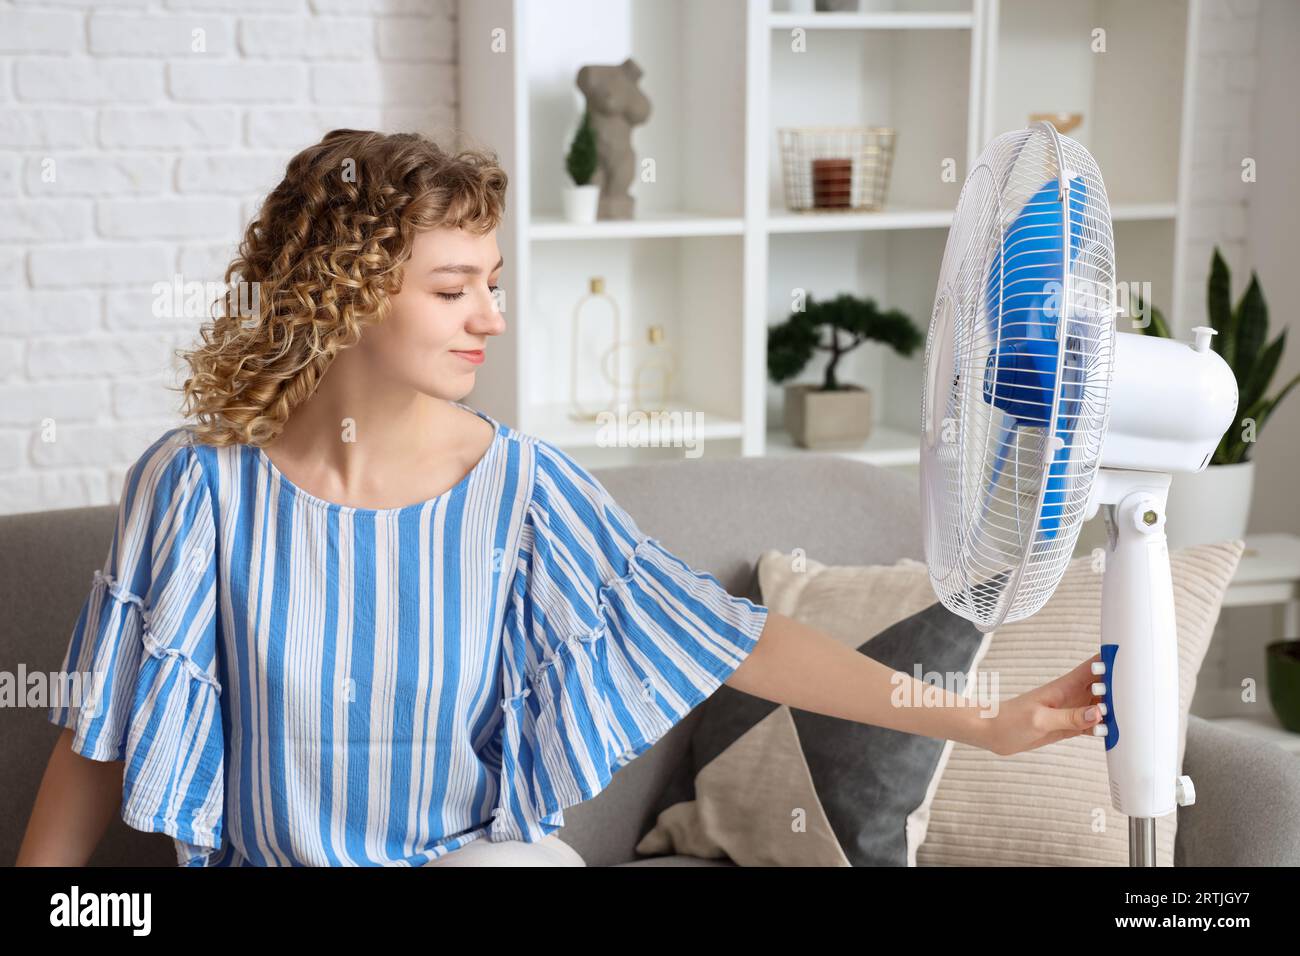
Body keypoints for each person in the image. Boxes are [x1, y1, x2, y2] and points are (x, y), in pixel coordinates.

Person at [16, 129, 1105, 868]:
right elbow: (96, 737)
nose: (489, 317)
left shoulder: (520, 489)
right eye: (453, 290)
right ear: (338, 298)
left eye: (493, 283)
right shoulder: (193, 486)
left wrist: (980, 718)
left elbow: (738, 641)